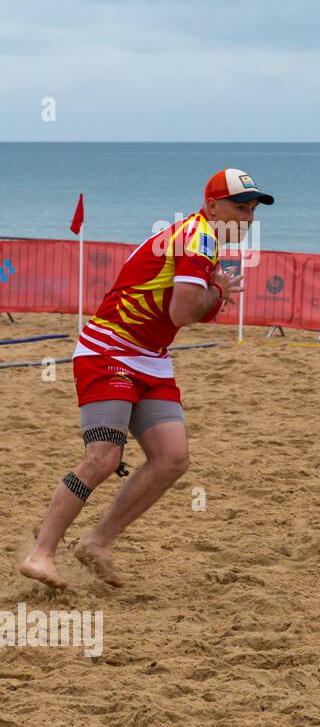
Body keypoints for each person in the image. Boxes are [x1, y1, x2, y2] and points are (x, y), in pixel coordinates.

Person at [20, 168, 269, 589]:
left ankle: (96, 543)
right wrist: (219, 294)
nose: (246, 219)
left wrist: (213, 296)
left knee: (172, 457)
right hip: (109, 350)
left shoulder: (202, 241)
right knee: (103, 457)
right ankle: (41, 553)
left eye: (251, 211)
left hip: (150, 357)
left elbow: (182, 310)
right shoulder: (198, 238)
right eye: (239, 208)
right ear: (211, 206)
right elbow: (182, 312)